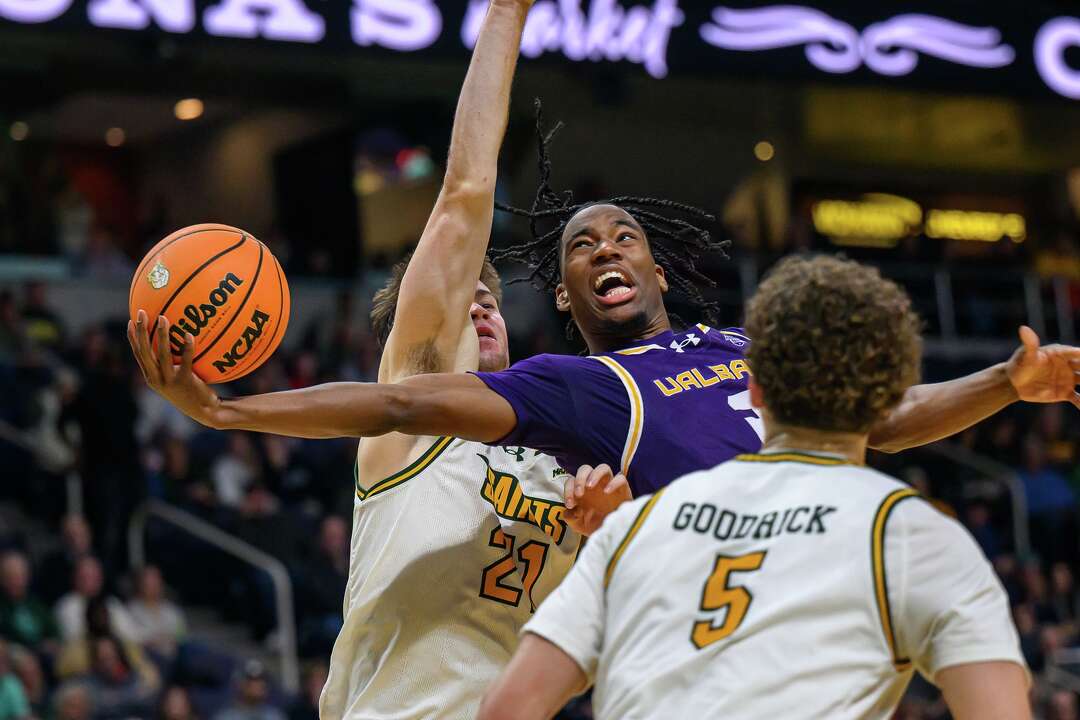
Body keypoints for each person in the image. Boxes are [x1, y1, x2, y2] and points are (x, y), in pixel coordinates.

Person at [129, 117, 1080, 499]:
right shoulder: (581, 389)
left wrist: (1008, 380)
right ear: (569, 296)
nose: (605, 250)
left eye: (623, 236)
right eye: (582, 247)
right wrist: (231, 411)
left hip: (824, 572)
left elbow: (886, 422)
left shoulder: (747, 344)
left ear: (660, 272)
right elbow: (401, 403)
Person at [135, 3, 595, 719]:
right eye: (462, 300)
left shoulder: (570, 456)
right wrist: (506, 14)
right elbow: (466, 193)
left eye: (491, 300)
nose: (479, 308)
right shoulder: (413, 424)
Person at [479, 255, 1030, 720]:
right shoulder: (914, 533)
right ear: (887, 397)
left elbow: (508, 709)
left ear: (756, 389)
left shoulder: (634, 527)